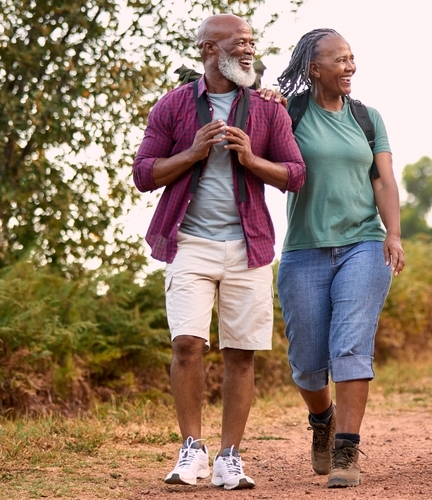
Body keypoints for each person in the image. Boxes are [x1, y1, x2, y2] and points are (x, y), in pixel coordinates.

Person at [132, 13, 305, 489]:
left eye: (252, 42)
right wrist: (191, 152)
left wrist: (251, 159)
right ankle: (191, 449)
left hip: (248, 247)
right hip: (188, 243)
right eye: (239, 43)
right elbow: (143, 173)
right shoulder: (172, 107)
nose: (249, 50)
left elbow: (295, 173)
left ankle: (230, 456)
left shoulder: (269, 109)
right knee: (187, 344)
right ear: (209, 50)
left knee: (241, 353)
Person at [274, 28, 405, 488]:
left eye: (352, 58)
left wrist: (394, 235)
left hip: (364, 244)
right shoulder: (289, 113)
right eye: (339, 60)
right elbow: (266, 159)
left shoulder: (368, 119)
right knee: (308, 364)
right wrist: (265, 107)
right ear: (313, 69)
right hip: (304, 249)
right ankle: (322, 420)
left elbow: (384, 181)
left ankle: (347, 448)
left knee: (350, 346)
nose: (350, 67)